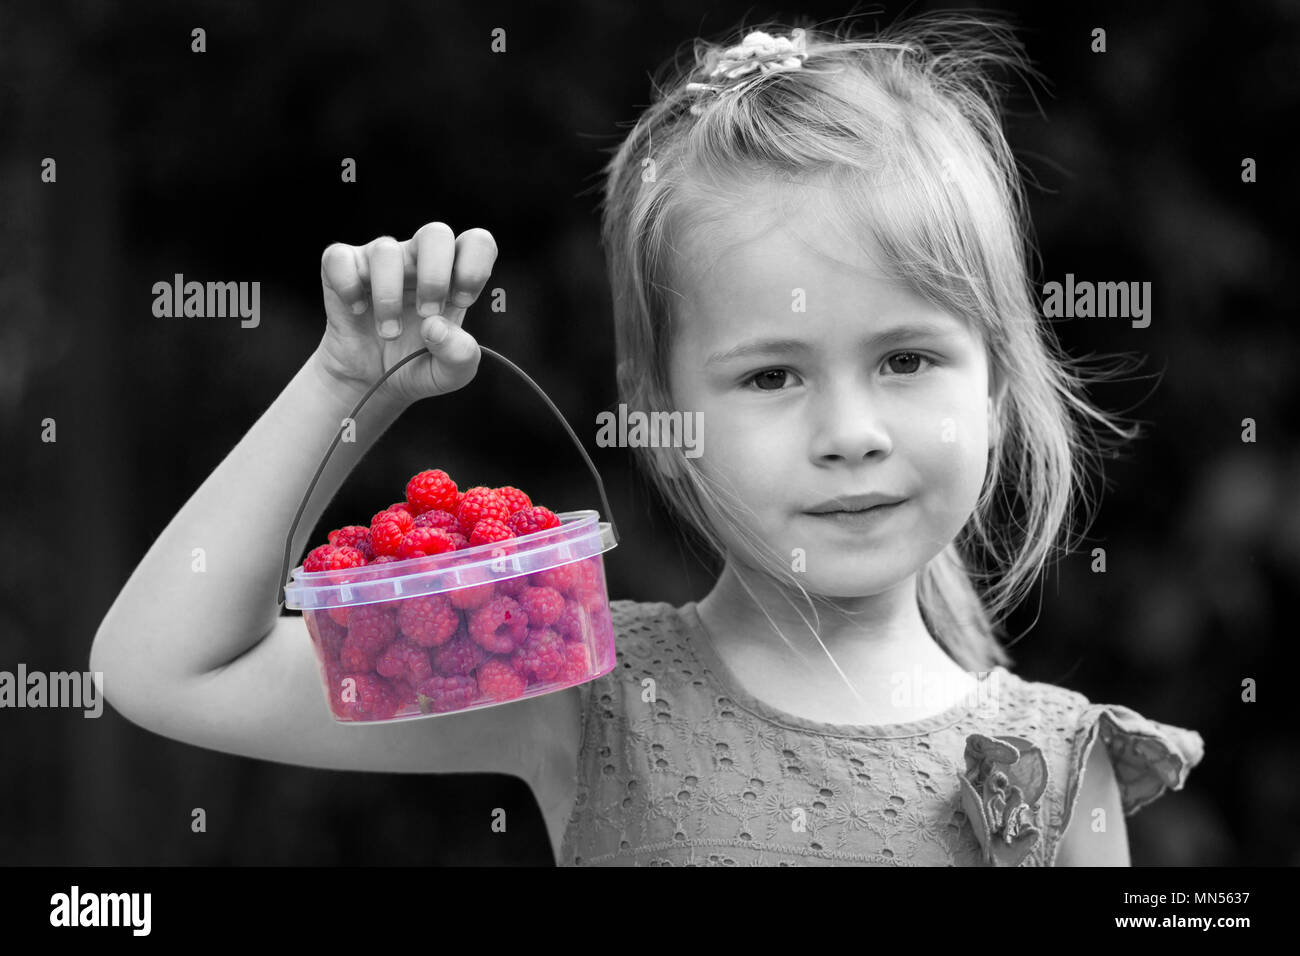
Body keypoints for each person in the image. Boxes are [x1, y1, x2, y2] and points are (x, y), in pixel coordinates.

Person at [90, 13, 1203, 867]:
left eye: (907, 359)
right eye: (771, 374)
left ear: (999, 381)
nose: (851, 434)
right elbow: (168, 667)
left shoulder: (1064, 767)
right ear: (660, 418)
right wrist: (347, 387)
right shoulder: (577, 686)